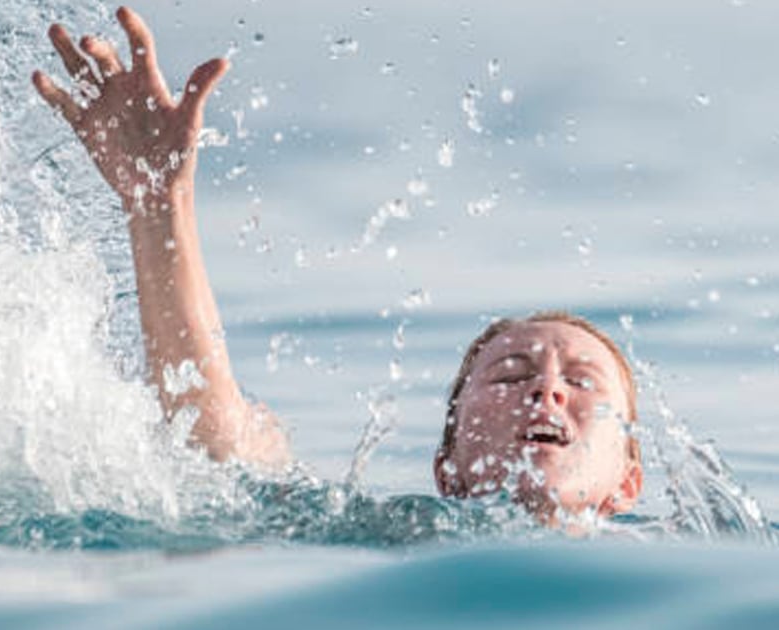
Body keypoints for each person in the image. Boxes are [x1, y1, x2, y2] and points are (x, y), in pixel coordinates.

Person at [33, 6, 642, 525]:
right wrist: (160, 204)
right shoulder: (397, 536)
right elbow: (219, 452)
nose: (546, 389)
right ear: (448, 471)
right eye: (508, 377)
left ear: (628, 483)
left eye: (583, 382)